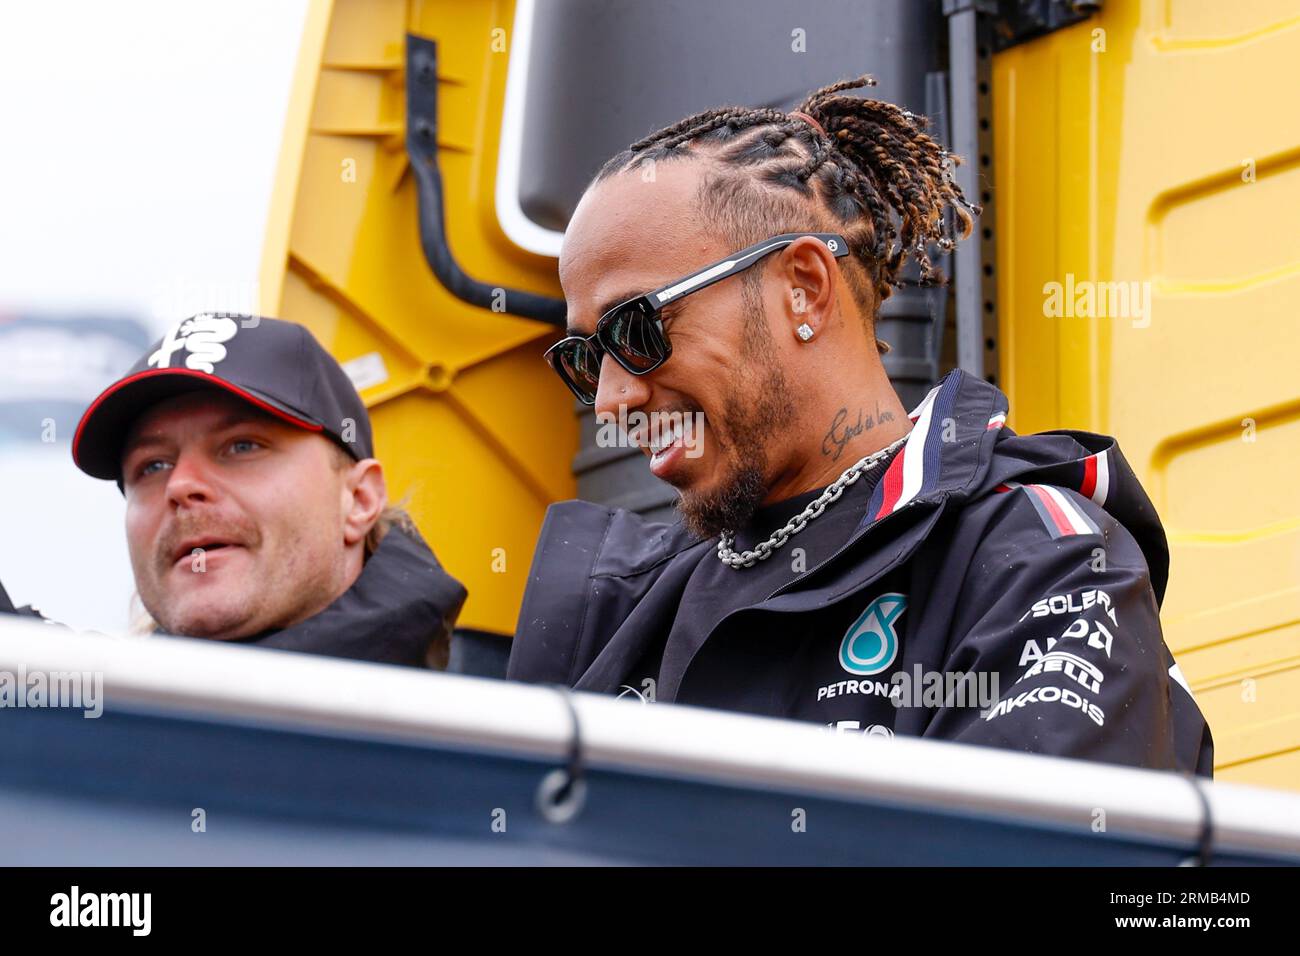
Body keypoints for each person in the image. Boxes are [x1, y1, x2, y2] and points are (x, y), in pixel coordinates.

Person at [508, 77, 1213, 776]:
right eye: (584, 357)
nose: (610, 400)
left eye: (636, 329)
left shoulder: (1036, 559)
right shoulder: (618, 619)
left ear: (805, 287)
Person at [69, 313, 466, 667]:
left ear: (359, 500)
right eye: (152, 466)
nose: (181, 484)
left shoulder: (483, 737)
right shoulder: (68, 720)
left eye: (243, 446)